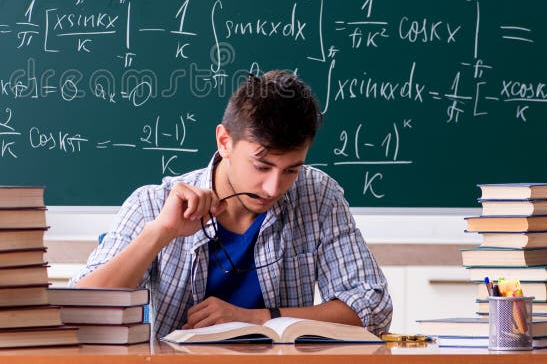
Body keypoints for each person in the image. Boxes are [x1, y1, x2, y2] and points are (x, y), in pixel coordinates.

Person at [70, 70, 392, 338]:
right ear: (225, 142)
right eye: (262, 166)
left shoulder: (317, 195)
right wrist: (161, 233)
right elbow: (79, 313)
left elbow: (373, 307)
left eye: (292, 169)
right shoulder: (153, 204)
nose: (274, 187)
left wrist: (255, 318)